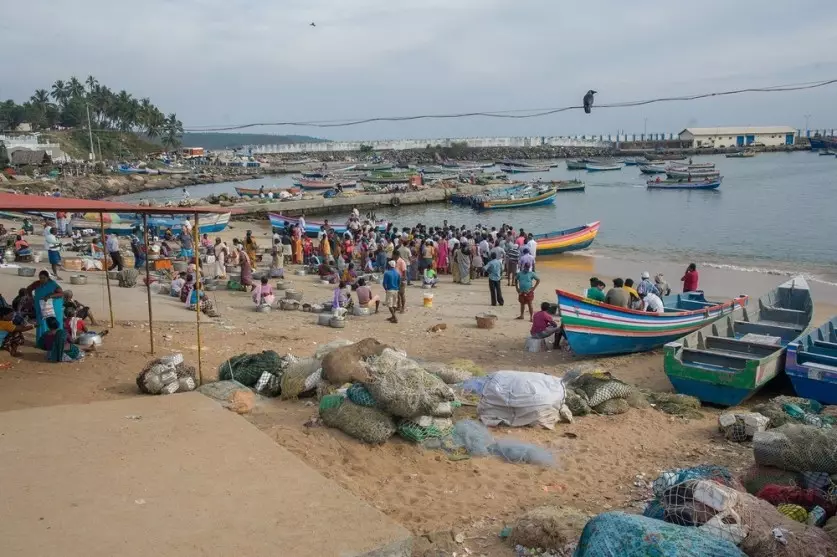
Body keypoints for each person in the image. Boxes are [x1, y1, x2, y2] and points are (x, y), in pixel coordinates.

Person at [27, 270, 64, 341]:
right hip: (40, 306)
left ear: (47, 278)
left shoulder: (53, 284)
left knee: (53, 323)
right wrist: (31, 298)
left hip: (53, 307)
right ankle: (41, 341)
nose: (42, 280)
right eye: (40, 278)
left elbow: (61, 294)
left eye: (44, 278)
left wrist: (50, 295)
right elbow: (29, 289)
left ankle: (56, 340)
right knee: (41, 322)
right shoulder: (37, 283)